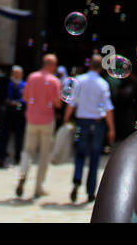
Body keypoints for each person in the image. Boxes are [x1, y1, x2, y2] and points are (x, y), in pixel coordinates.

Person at [63, 54, 115, 204]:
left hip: (82, 123)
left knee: (80, 154)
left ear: (89, 65)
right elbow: (108, 108)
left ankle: (77, 180)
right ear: (101, 68)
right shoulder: (102, 83)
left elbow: (71, 103)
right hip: (97, 124)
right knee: (94, 158)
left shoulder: (80, 80)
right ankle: (91, 192)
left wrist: (66, 119)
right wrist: (111, 128)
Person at [16, 54, 61, 199]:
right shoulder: (54, 81)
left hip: (31, 119)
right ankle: (38, 187)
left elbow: (25, 97)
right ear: (52, 65)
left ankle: (23, 175)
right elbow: (58, 103)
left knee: (28, 150)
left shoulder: (32, 77)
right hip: (47, 121)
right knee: (44, 154)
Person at [0, 65, 26, 169]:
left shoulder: (24, 85)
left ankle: (18, 158)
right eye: (14, 73)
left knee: (19, 137)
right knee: (4, 136)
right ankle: (1, 157)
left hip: (20, 114)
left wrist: (18, 103)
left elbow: (27, 98)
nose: (16, 75)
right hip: (8, 113)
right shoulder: (8, 84)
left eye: (18, 74)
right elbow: (3, 96)